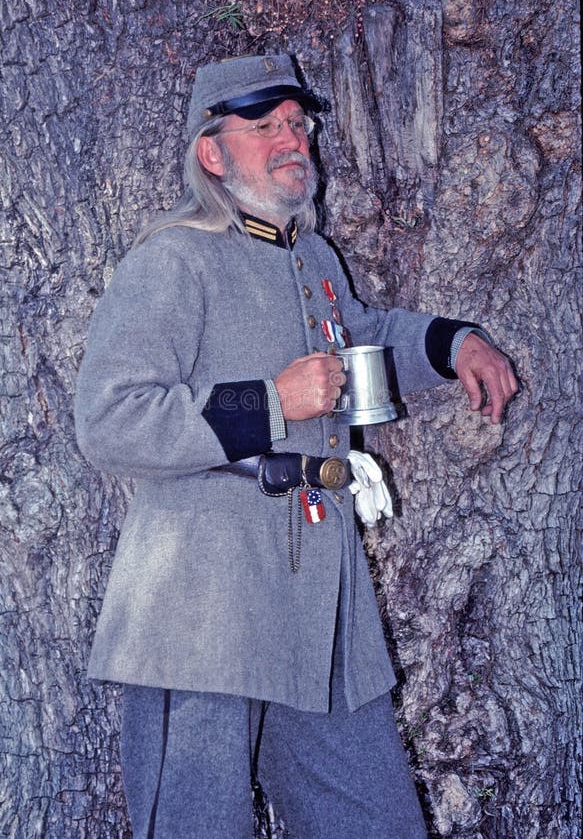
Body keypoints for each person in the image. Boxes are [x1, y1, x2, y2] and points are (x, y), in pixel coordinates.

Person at [74, 54, 518, 838]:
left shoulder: (311, 260)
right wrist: (269, 403)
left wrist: (454, 344)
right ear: (211, 152)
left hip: (321, 605)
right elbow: (110, 420)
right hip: (201, 610)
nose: (292, 140)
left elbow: (363, 338)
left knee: (373, 822)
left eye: (298, 125)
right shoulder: (171, 260)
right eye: (264, 125)